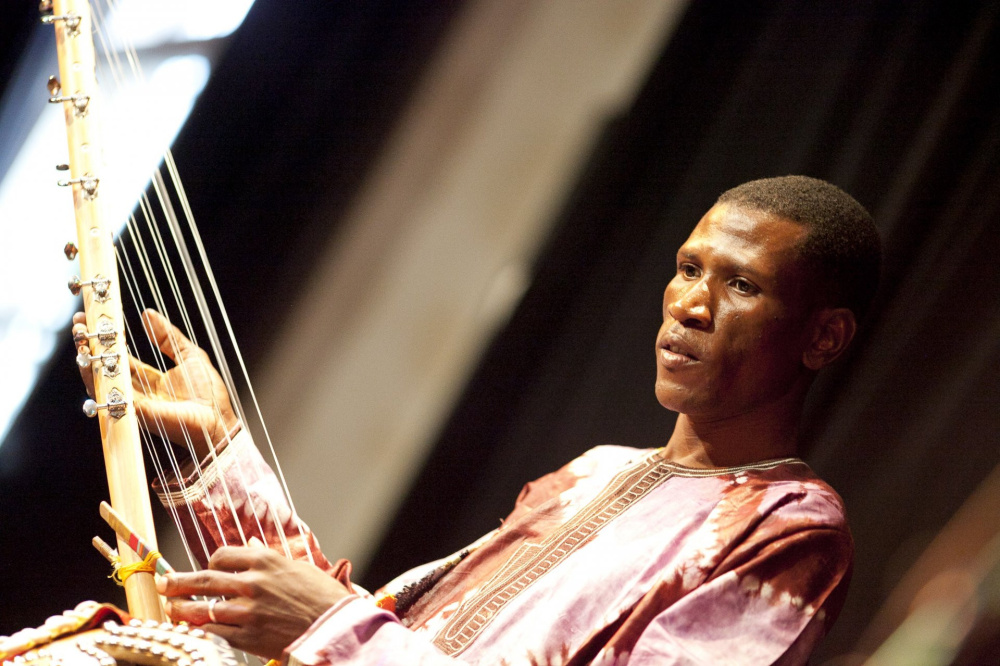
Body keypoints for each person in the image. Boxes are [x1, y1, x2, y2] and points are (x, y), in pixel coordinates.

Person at [74, 175, 881, 665]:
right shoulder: (599, 470)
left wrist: (332, 626)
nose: (690, 304)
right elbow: (388, 631)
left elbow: (344, 630)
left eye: (742, 286)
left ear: (824, 335)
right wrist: (214, 448)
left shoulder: (794, 528)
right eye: (688, 267)